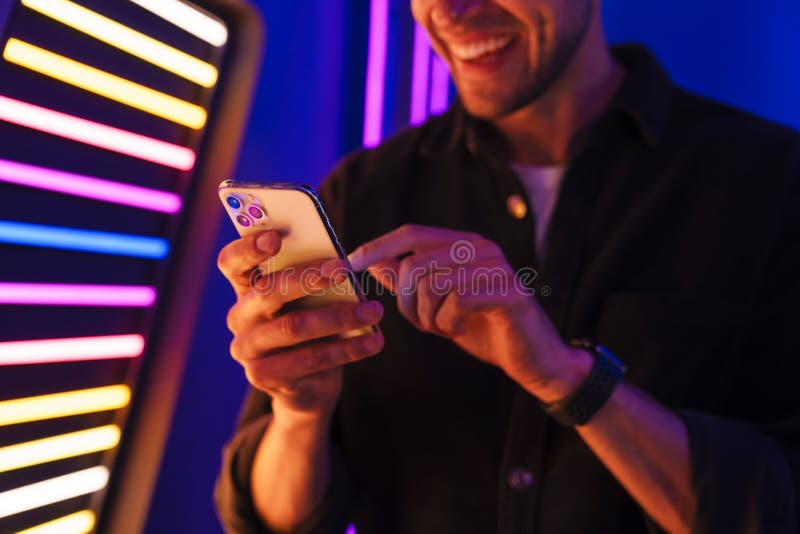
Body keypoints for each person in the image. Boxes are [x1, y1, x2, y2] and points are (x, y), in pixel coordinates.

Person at [214, 0, 800, 532]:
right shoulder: (363, 193)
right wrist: (300, 414)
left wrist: (566, 376)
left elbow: (780, 505)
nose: (450, 11)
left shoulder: (771, 182)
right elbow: (271, 521)